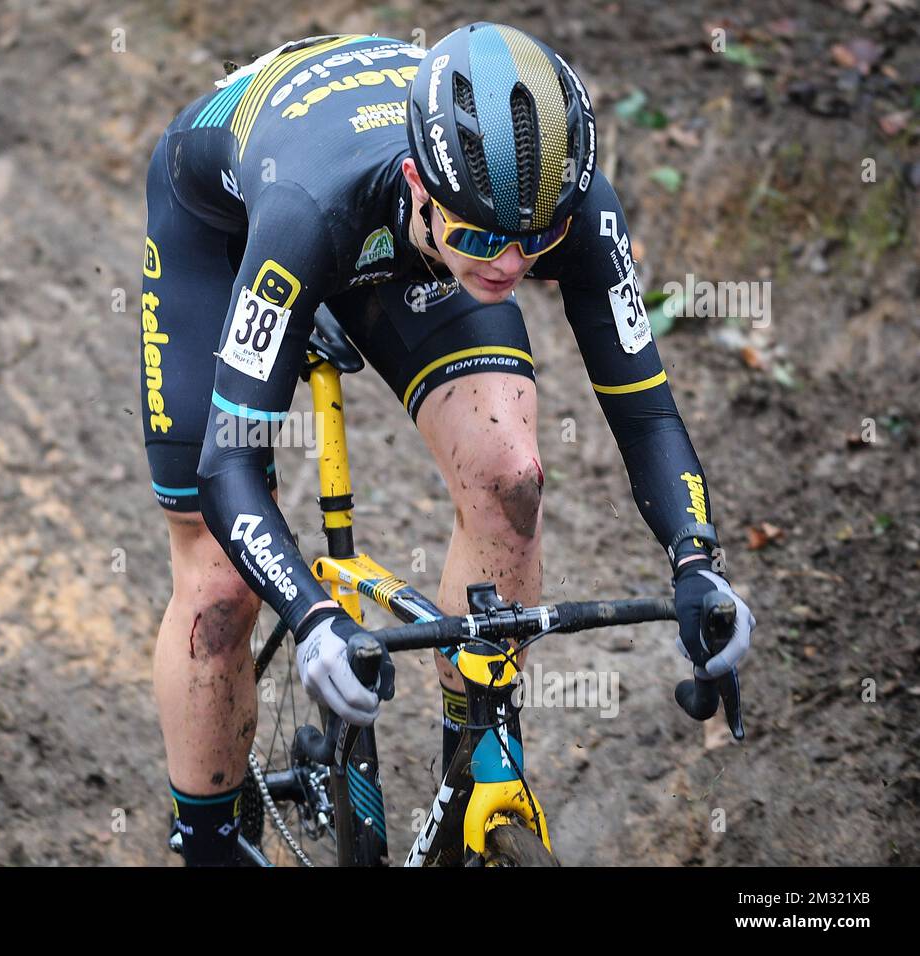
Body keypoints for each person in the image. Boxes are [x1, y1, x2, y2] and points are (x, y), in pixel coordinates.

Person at [139, 23, 754, 866]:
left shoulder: (541, 212)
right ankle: (207, 845)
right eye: (481, 239)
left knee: (510, 479)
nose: (509, 266)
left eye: (534, 244)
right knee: (219, 586)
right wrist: (315, 618)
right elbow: (229, 467)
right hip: (229, 231)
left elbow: (646, 412)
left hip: (410, 242)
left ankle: (477, 770)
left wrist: (699, 561)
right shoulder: (310, 205)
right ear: (418, 181)